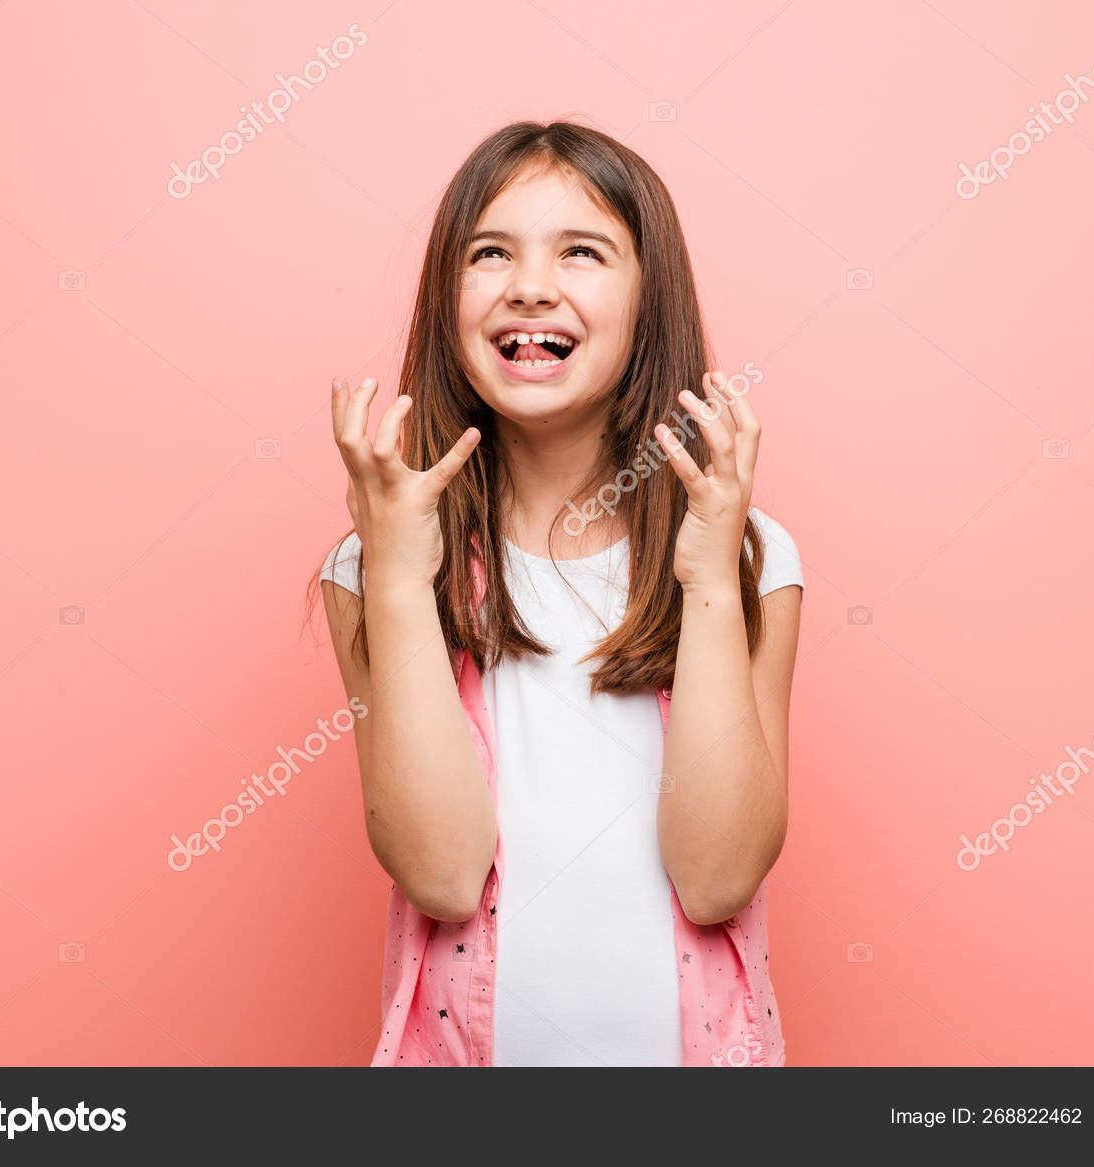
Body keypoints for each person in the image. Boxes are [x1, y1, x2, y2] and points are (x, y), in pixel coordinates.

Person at [316, 121, 802, 1066]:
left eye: (581, 251)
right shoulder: (369, 567)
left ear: (647, 303)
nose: (530, 284)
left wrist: (706, 579)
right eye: (490, 251)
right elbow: (445, 873)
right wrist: (397, 581)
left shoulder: (749, 559)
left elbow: (717, 876)